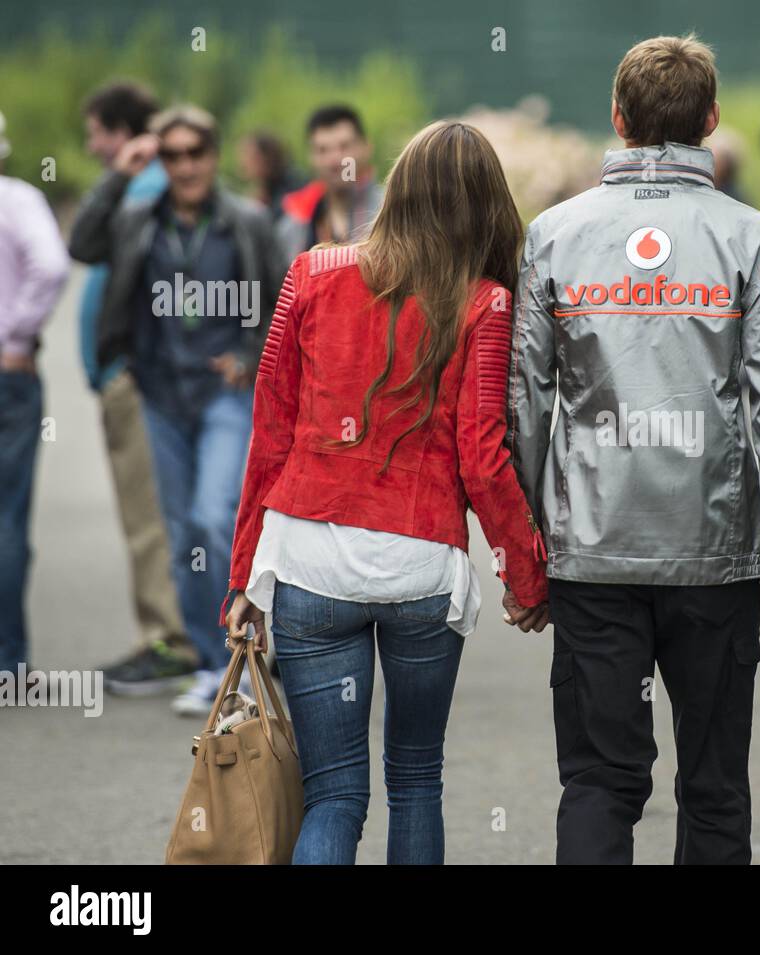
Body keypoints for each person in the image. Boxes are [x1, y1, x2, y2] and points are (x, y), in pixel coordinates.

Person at [509, 34, 760, 865]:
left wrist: (526, 551)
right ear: (712, 122)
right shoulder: (751, 237)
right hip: (713, 558)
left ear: (616, 119)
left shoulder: (554, 233)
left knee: (599, 782)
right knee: (715, 785)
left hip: (592, 554)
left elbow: (523, 402)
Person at [220, 121, 549, 865]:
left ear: (395, 187)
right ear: (487, 207)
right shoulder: (486, 302)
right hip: (420, 565)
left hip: (307, 559)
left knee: (333, 791)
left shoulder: (311, 273)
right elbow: (484, 457)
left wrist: (242, 575)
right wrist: (527, 574)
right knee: (415, 779)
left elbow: (268, 437)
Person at [69, 105, 287, 714]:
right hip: (159, 393)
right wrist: (119, 172)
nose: (185, 165)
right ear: (158, 161)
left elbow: (283, 298)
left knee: (215, 518)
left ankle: (235, 654)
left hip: (224, 396)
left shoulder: (245, 222)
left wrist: (248, 352)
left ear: (213, 156)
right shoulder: (138, 218)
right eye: (172, 155)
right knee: (181, 531)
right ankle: (208, 659)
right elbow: (81, 245)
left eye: (195, 152)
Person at [78, 81, 196, 695]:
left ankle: (171, 641)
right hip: (137, 376)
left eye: (97, 131)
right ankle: (175, 635)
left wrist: (127, 364)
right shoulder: (143, 189)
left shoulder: (148, 193)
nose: (92, 143)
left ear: (124, 134)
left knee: (151, 517)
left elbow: (81, 246)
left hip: (141, 380)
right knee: (161, 514)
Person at [0, 112, 72, 674]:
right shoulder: (18, 200)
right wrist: (17, 334)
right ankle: (7, 661)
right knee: (7, 515)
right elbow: (50, 265)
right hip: (9, 372)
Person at [277, 104, 382, 257]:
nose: (334, 160)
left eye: (344, 147)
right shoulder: (294, 227)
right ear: (311, 157)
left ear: (366, 148)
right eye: (322, 150)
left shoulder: (391, 213)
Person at [237, 130, 302, 223]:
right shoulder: (264, 191)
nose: (243, 163)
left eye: (250, 156)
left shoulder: (293, 187)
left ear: (266, 158)